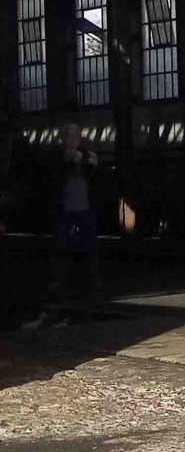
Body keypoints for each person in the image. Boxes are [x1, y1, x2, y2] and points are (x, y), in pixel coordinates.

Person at [50, 123, 100, 311]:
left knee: (89, 246)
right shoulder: (57, 156)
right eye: (70, 135)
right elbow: (53, 178)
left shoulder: (87, 156)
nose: (73, 139)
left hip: (85, 209)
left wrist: (94, 166)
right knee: (62, 247)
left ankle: (91, 283)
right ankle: (60, 283)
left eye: (76, 135)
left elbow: (96, 180)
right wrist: (70, 161)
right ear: (64, 137)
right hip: (64, 210)